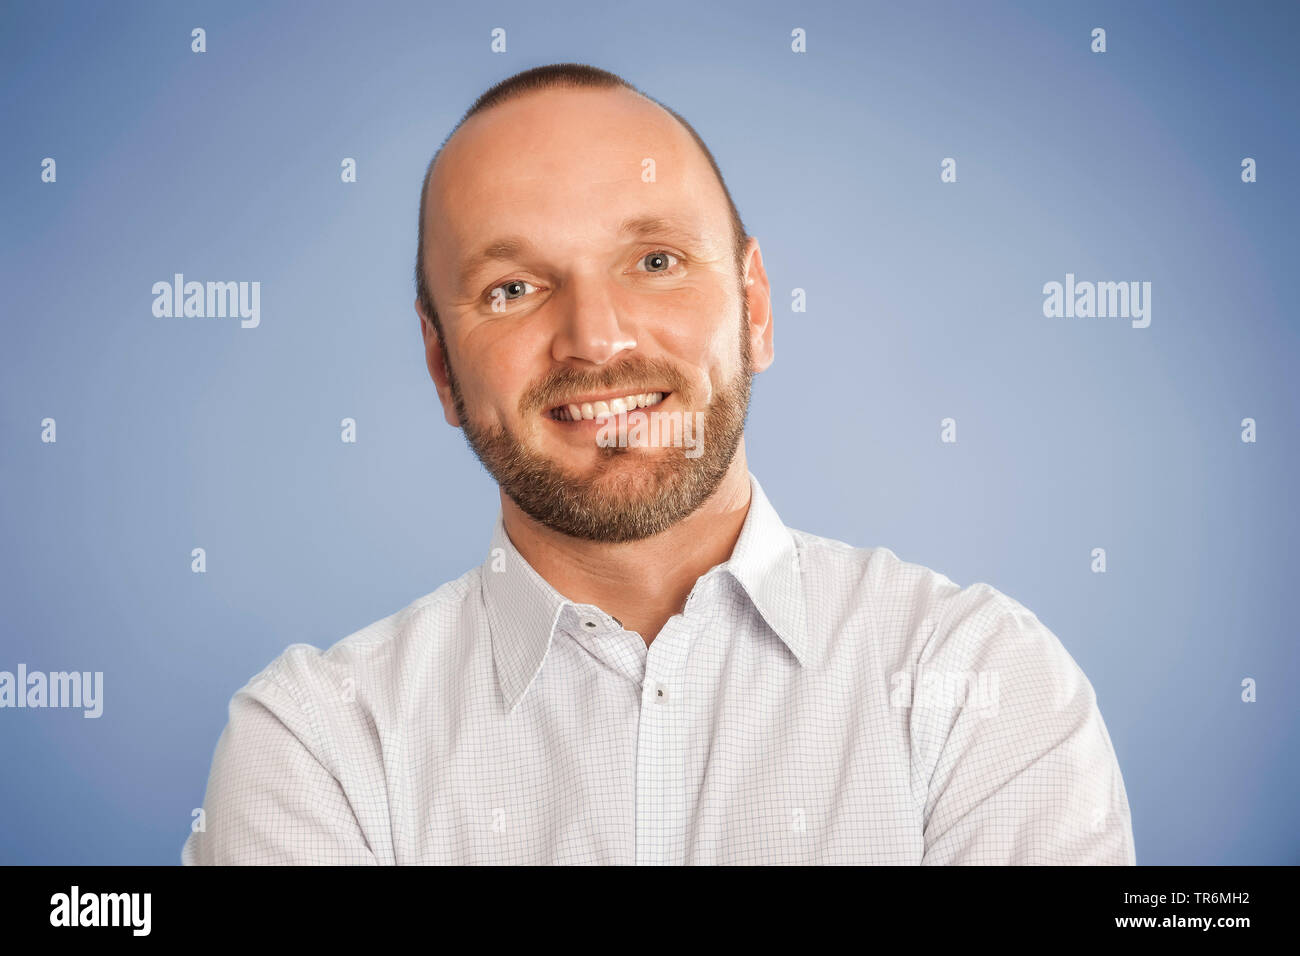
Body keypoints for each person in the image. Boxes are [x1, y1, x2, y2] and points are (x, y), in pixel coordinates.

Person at [182, 63, 1136, 865]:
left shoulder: (980, 685)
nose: (594, 341)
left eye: (655, 262)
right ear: (442, 366)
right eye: (512, 289)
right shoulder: (319, 746)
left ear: (754, 308)